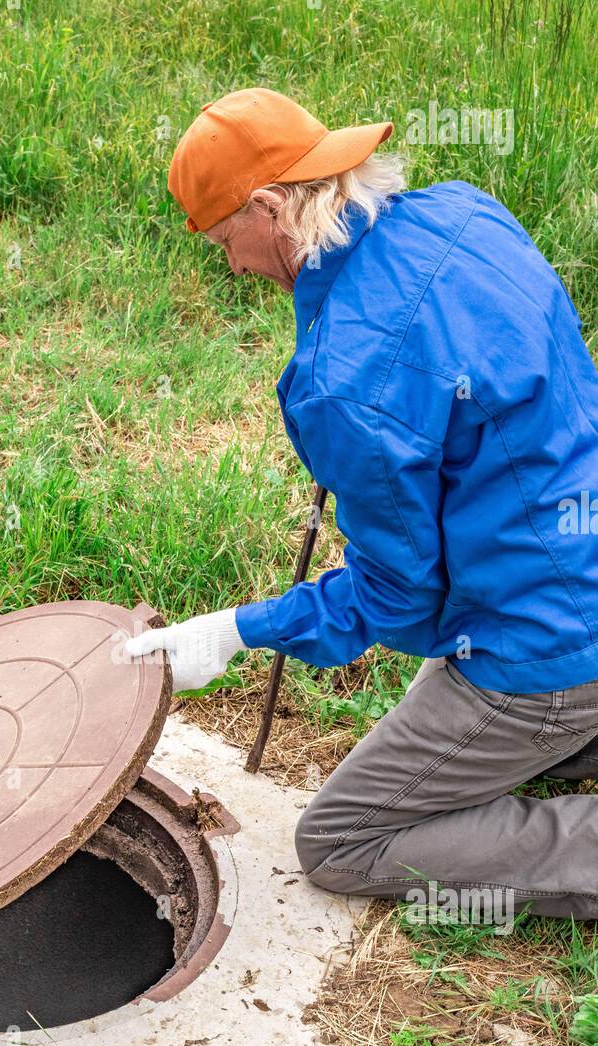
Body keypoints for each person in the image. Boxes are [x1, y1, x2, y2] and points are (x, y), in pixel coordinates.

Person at [126, 87, 598, 924]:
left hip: (547, 643)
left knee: (339, 843)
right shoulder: (465, 213)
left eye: (223, 237)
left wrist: (236, 631)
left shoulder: (349, 382)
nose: (230, 263)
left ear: (270, 207)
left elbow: (397, 596)